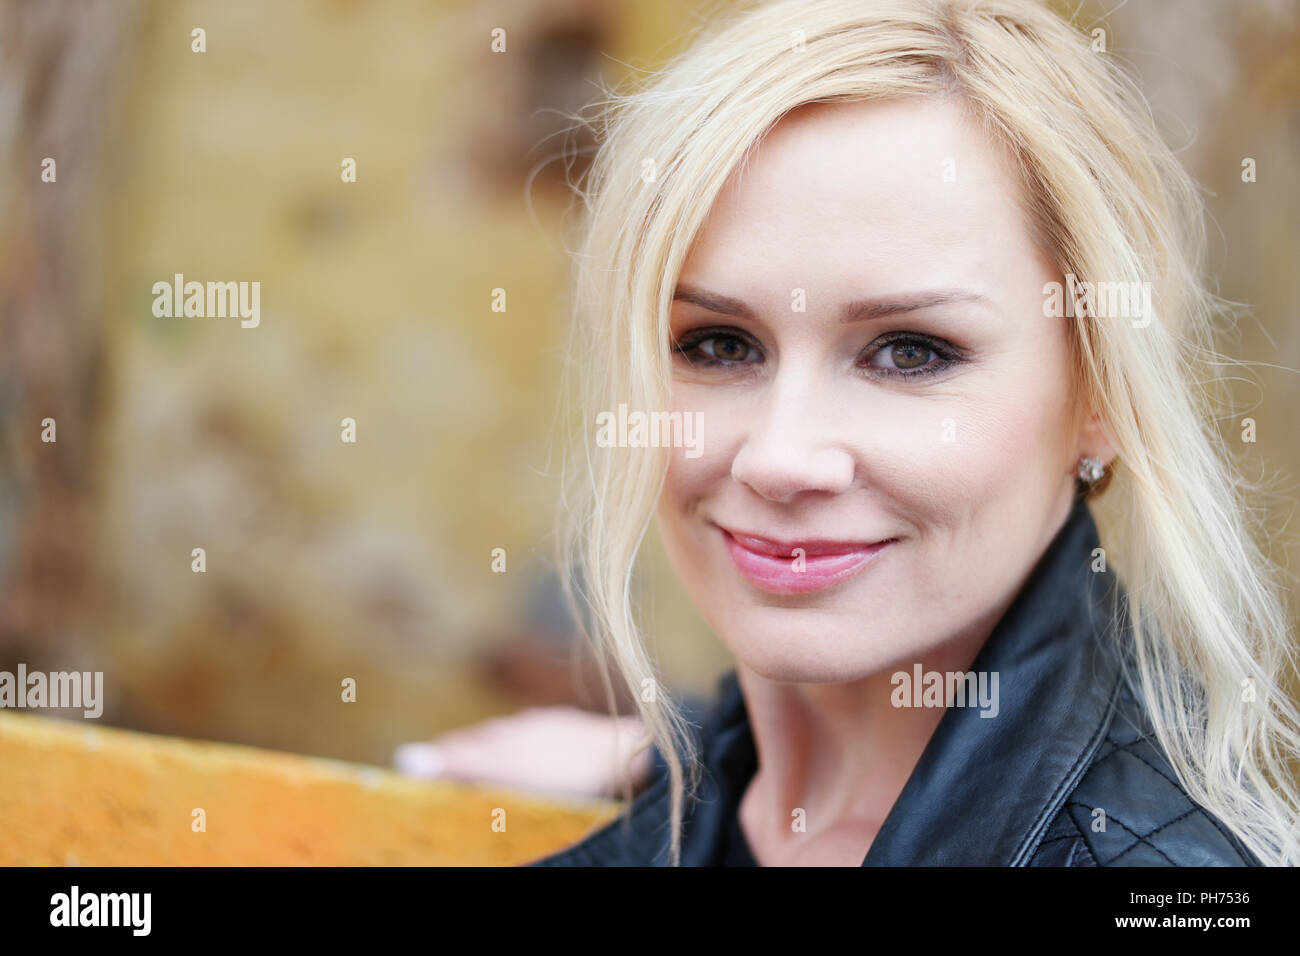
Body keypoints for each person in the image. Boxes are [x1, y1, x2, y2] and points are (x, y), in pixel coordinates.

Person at [399, 0, 1300, 866]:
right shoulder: (705, 785)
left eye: (910, 353)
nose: (782, 459)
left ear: (1101, 396)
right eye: (716, 343)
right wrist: (682, 764)